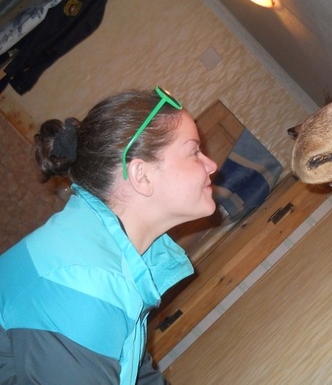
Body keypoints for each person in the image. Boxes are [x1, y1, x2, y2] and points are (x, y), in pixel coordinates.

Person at [0, 86, 217, 384]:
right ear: (142, 176)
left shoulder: (119, 258)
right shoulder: (83, 284)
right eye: (194, 152)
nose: (211, 165)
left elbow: (136, 373)